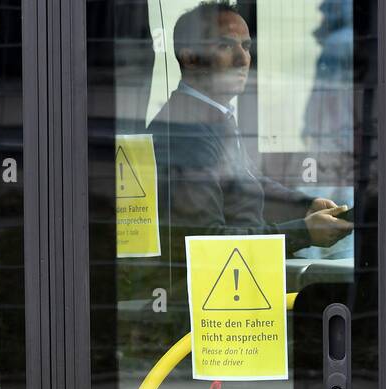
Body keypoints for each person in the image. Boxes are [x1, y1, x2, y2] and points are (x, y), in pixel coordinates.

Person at [148, 1, 352, 255]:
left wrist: (305, 206)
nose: (242, 59)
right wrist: (303, 232)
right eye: (225, 45)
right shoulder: (184, 132)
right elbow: (206, 241)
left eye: (246, 46)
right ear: (189, 57)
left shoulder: (214, 118)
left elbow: (247, 183)